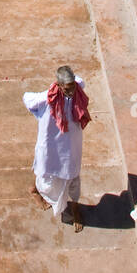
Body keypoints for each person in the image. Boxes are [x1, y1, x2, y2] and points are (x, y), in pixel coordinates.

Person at [23, 64, 90, 231]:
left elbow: (80, 81)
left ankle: (74, 209)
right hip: (50, 143)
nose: (72, 91)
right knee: (43, 166)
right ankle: (34, 190)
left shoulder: (77, 89)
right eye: (67, 88)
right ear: (59, 86)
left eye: (72, 86)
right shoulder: (47, 98)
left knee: (73, 174)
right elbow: (27, 98)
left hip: (72, 144)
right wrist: (39, 115)